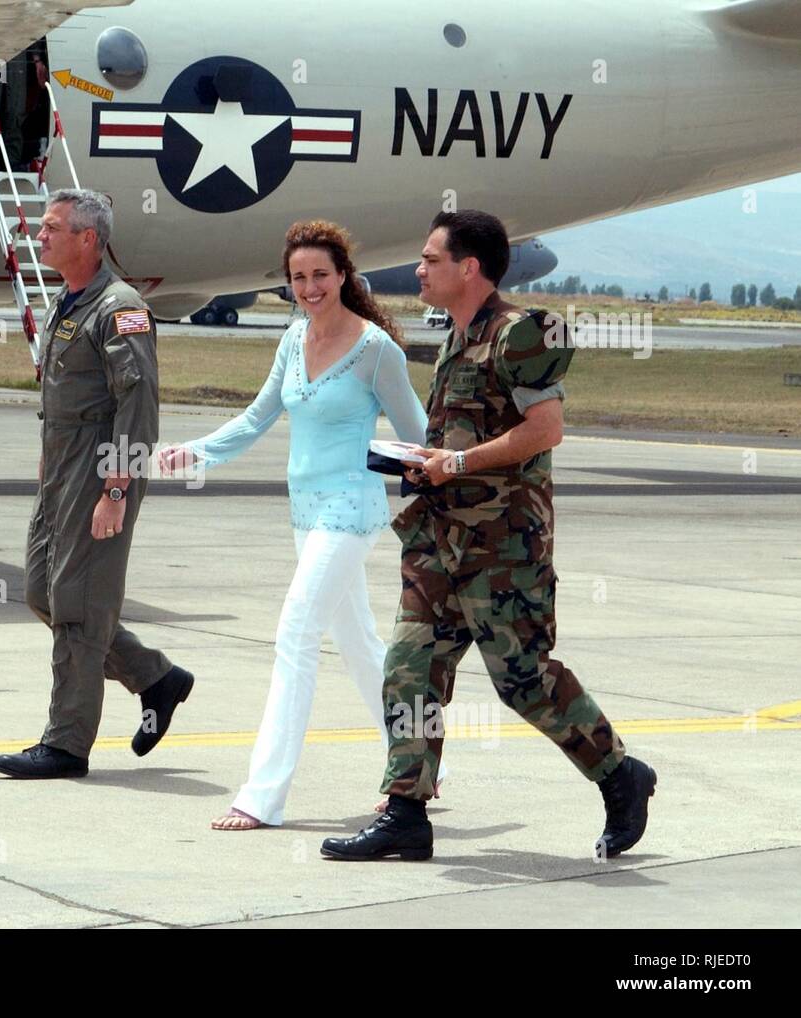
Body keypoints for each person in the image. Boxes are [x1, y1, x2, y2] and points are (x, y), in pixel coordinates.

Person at [320, 210, 656, 862]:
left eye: (429, 259)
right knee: (410, 668)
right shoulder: (457, 335)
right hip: (441, 540)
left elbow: (546, 429)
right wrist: (426, 455)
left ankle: (620, 775)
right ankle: (407, 813)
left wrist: (460, 462)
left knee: (523, 679)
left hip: (503, 546)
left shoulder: (522, 334)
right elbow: (470, 433)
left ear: (468, 268)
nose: (417, 270)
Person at [159, 220, 441, 830]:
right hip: (305, 511)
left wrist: (444, 488)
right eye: (298, 278)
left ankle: (262, 796)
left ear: (343, 276)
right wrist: (196, 451)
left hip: (351, 509)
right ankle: (419, 763)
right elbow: (257, 418)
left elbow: (420, 436)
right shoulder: (291, 340)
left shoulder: (376, 350)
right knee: (361, 645)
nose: (309, 287)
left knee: (295, 633)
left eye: (319, 274)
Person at [0, 188, 194, 780]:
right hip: (61, 472)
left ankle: (66, 744)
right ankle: (155, 676)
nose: (40, 236)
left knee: (78, 609)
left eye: (53, 228)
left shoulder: (120, 307)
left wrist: (115, 490)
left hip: (101, 472)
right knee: (43, 593)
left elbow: (139, 407)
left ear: (88, 238)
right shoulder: (69, 301)